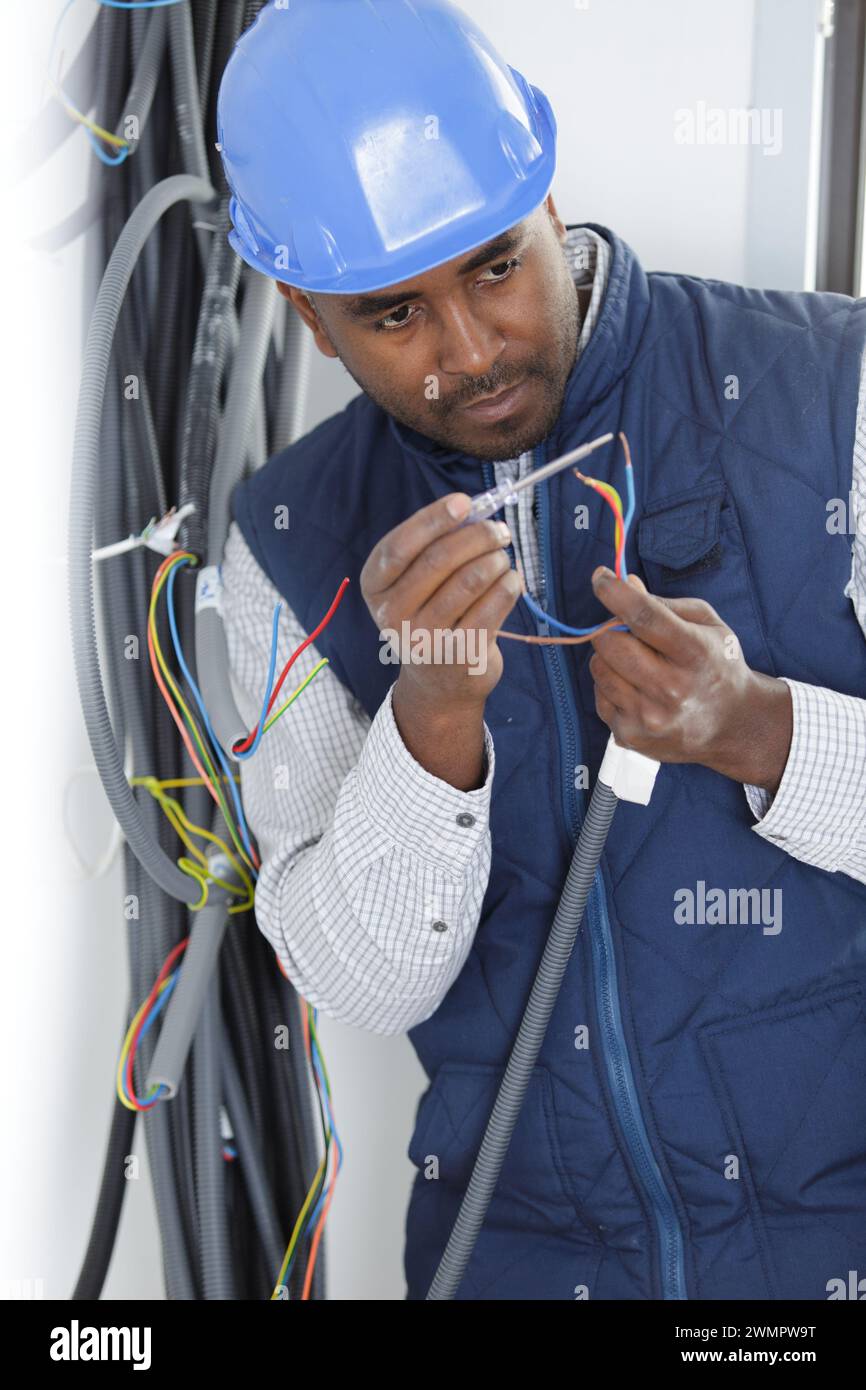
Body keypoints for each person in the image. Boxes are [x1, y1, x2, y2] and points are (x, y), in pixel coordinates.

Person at [216, 0, 866, 1300]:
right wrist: (430, 725)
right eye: (393, 315)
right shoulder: (286, 546)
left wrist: (762, 730)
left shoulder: (824, 386)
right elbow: (362, 976)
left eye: (496, 268)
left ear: (546, 199)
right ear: (304, 311)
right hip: (519, 1258)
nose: (471, 352)